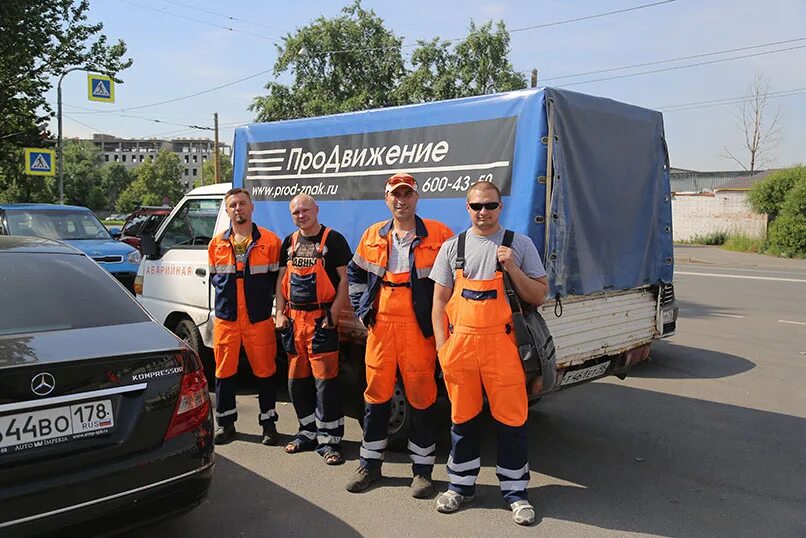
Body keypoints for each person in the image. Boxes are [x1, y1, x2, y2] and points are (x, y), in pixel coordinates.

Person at [430, 181, 548, 526]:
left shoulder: (519, 245)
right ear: (467, 208)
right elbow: (438, 303)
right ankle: (460, 487)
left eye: (490, 206)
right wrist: (443, 348)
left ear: (501, 207)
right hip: (461, 349)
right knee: (462, 421)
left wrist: (512, 267)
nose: (484, 212)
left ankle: (516, 493)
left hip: (504, 349)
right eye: (477, 206)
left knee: (512, 423)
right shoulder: (453, 247)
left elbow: (538, 295)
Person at [346, 173, 453, 498]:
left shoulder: (439, 234)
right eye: (396, 194)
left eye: (407, 194)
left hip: (418, 329)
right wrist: (361, 309)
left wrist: (443, 322)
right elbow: (355, 272)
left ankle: (422, 473)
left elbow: (454, 279)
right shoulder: (372, 235)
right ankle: (369, 465)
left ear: (416, 198)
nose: (401, 200)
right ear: (387, 199)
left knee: (421, 399)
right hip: (381, 327)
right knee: (376, 396)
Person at [275, 194, 352, 466]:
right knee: (296, 382)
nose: (301, 215)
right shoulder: (289, 243)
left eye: (306, 210)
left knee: (325, 383)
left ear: (316, 210)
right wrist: (279, 312)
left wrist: (334, 314)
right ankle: (306, 432)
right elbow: (282, 279)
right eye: (296, 212)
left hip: (322, 320)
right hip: (294, 321)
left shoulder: (334, 240)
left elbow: (345, 280)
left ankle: (330, 440)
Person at [208, 188, 282, 445]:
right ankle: (226, 424)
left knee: (265, 371)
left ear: (252, 208)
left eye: (242, 204)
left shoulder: (271, 241)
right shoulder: (216, 243)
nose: (238, 209)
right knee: (224, 372)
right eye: (233, 205)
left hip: (257, 317)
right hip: (227, 319)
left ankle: (269, 424)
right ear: (227, 211)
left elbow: (277, 281)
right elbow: (215, 280)